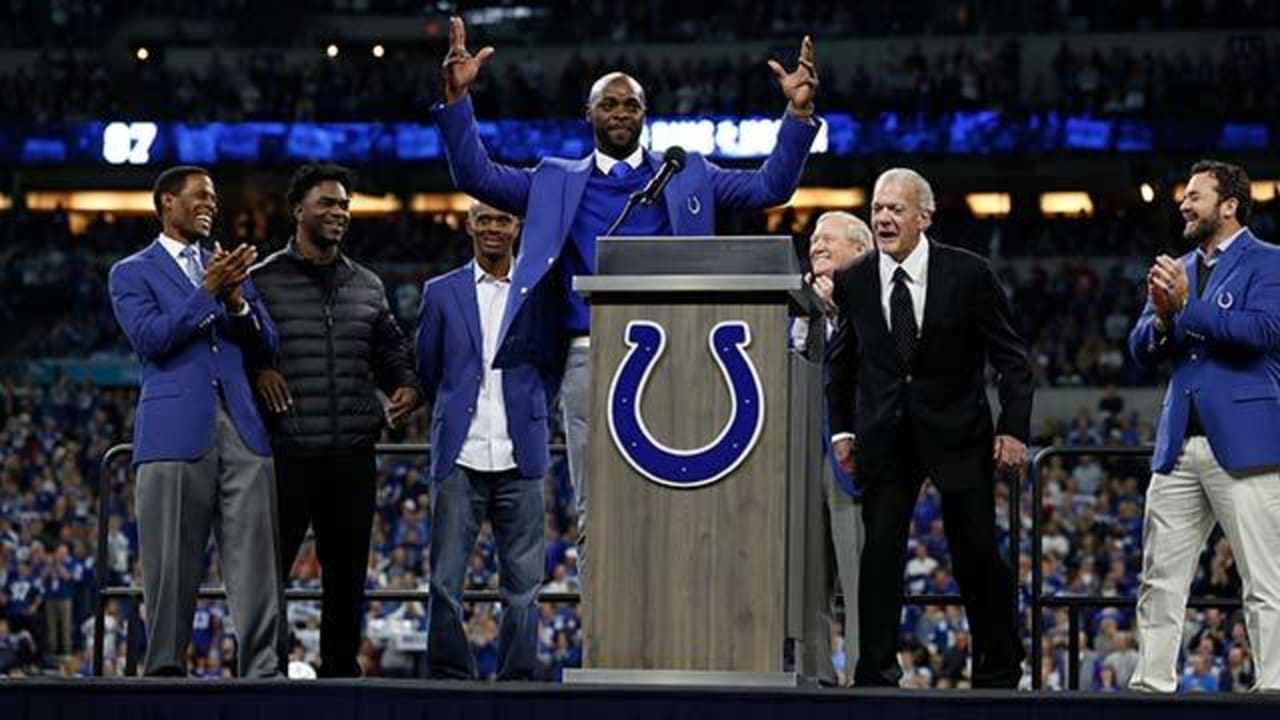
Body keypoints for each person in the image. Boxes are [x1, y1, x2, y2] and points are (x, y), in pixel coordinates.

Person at [432, 16, 821, 541]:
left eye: (630, 104)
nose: (620, 113)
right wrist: (458, 103)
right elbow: (475, 176)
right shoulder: (551, 180)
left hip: (682, 351)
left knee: (675, 499)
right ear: (587, 113)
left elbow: (770, 187)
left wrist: (797, 112)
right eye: (608, 104)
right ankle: (601, 622)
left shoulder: (690, 172)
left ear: (645, 115)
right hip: (586, 356)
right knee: (598, 510)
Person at [826, 168, 1033, 688]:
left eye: (895, 208)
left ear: (924, 216)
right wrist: (841, 432)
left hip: (959, 433)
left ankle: (999, 671)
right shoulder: (854, 279)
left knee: (978, 553)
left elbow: (1013, 360)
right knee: (879, 557)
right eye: (877, 208)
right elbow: (841, 365)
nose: (884, 218)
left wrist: (1013, 429)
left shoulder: (969, 273)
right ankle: (874, 673)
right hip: (885, 437)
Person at [108, 165, 283, 677]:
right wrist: (208, 292)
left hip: (243, 429)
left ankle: (263, 670)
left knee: (256, 563)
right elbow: (152, 339)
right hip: (174, 430)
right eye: (199, 196)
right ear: (165, 202)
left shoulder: (226, 267)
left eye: (213, 198)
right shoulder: (130, 271)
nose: (210, 204)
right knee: (169, 564)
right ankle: (164, 667)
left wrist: (238, 303)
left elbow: (268, 343)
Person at [251, 163, 421, 677]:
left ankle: (340, 673)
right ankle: (266, 669)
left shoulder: (366, 284)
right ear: (298, 210)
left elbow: (391, 347)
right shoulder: (261, 281)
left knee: (346, 574)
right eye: (327, 203)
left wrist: (407, 383)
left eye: (344, 205)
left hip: (351, 450)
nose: (338, 213)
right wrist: (260, 369)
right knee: (269, 572)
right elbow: (240, 348)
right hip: (287, 450)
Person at [1127, 159, 1280, 692]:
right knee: (1159, 578)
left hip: (1249, 444)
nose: (1183, 204)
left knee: (1264, 579)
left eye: (1195, 196)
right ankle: (1151, 683)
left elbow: (1264, 331)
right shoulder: (1179, 265)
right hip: (1178, 445)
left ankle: (1276, 686)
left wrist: (1185, 309)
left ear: (1229, 205)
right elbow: (1140, 344)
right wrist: (1164, 318)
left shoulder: (1271, 263)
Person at [415, 201, 550, 680]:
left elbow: (550, 365)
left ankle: (517, 678)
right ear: (470, 224)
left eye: (504, 220)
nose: (494, 228)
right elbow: (428, 368)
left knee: (524, 585)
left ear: (518, 227)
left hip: (522, 453)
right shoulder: (439, 293)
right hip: (461, 454)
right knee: (445, 580)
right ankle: (451, 676)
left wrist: (533, 410)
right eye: (485, 219)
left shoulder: (539, 291)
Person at [797, 211, 871, 684]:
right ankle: (815, 676)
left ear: (861, 252)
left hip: (853, 457)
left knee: (861, 576)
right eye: (813, 239)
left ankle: (867, 676)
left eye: (828, 239)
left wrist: (840, 312)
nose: (816, 245)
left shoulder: (879, 302)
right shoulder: (791, 301)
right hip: (797, 454)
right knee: (806, 577)